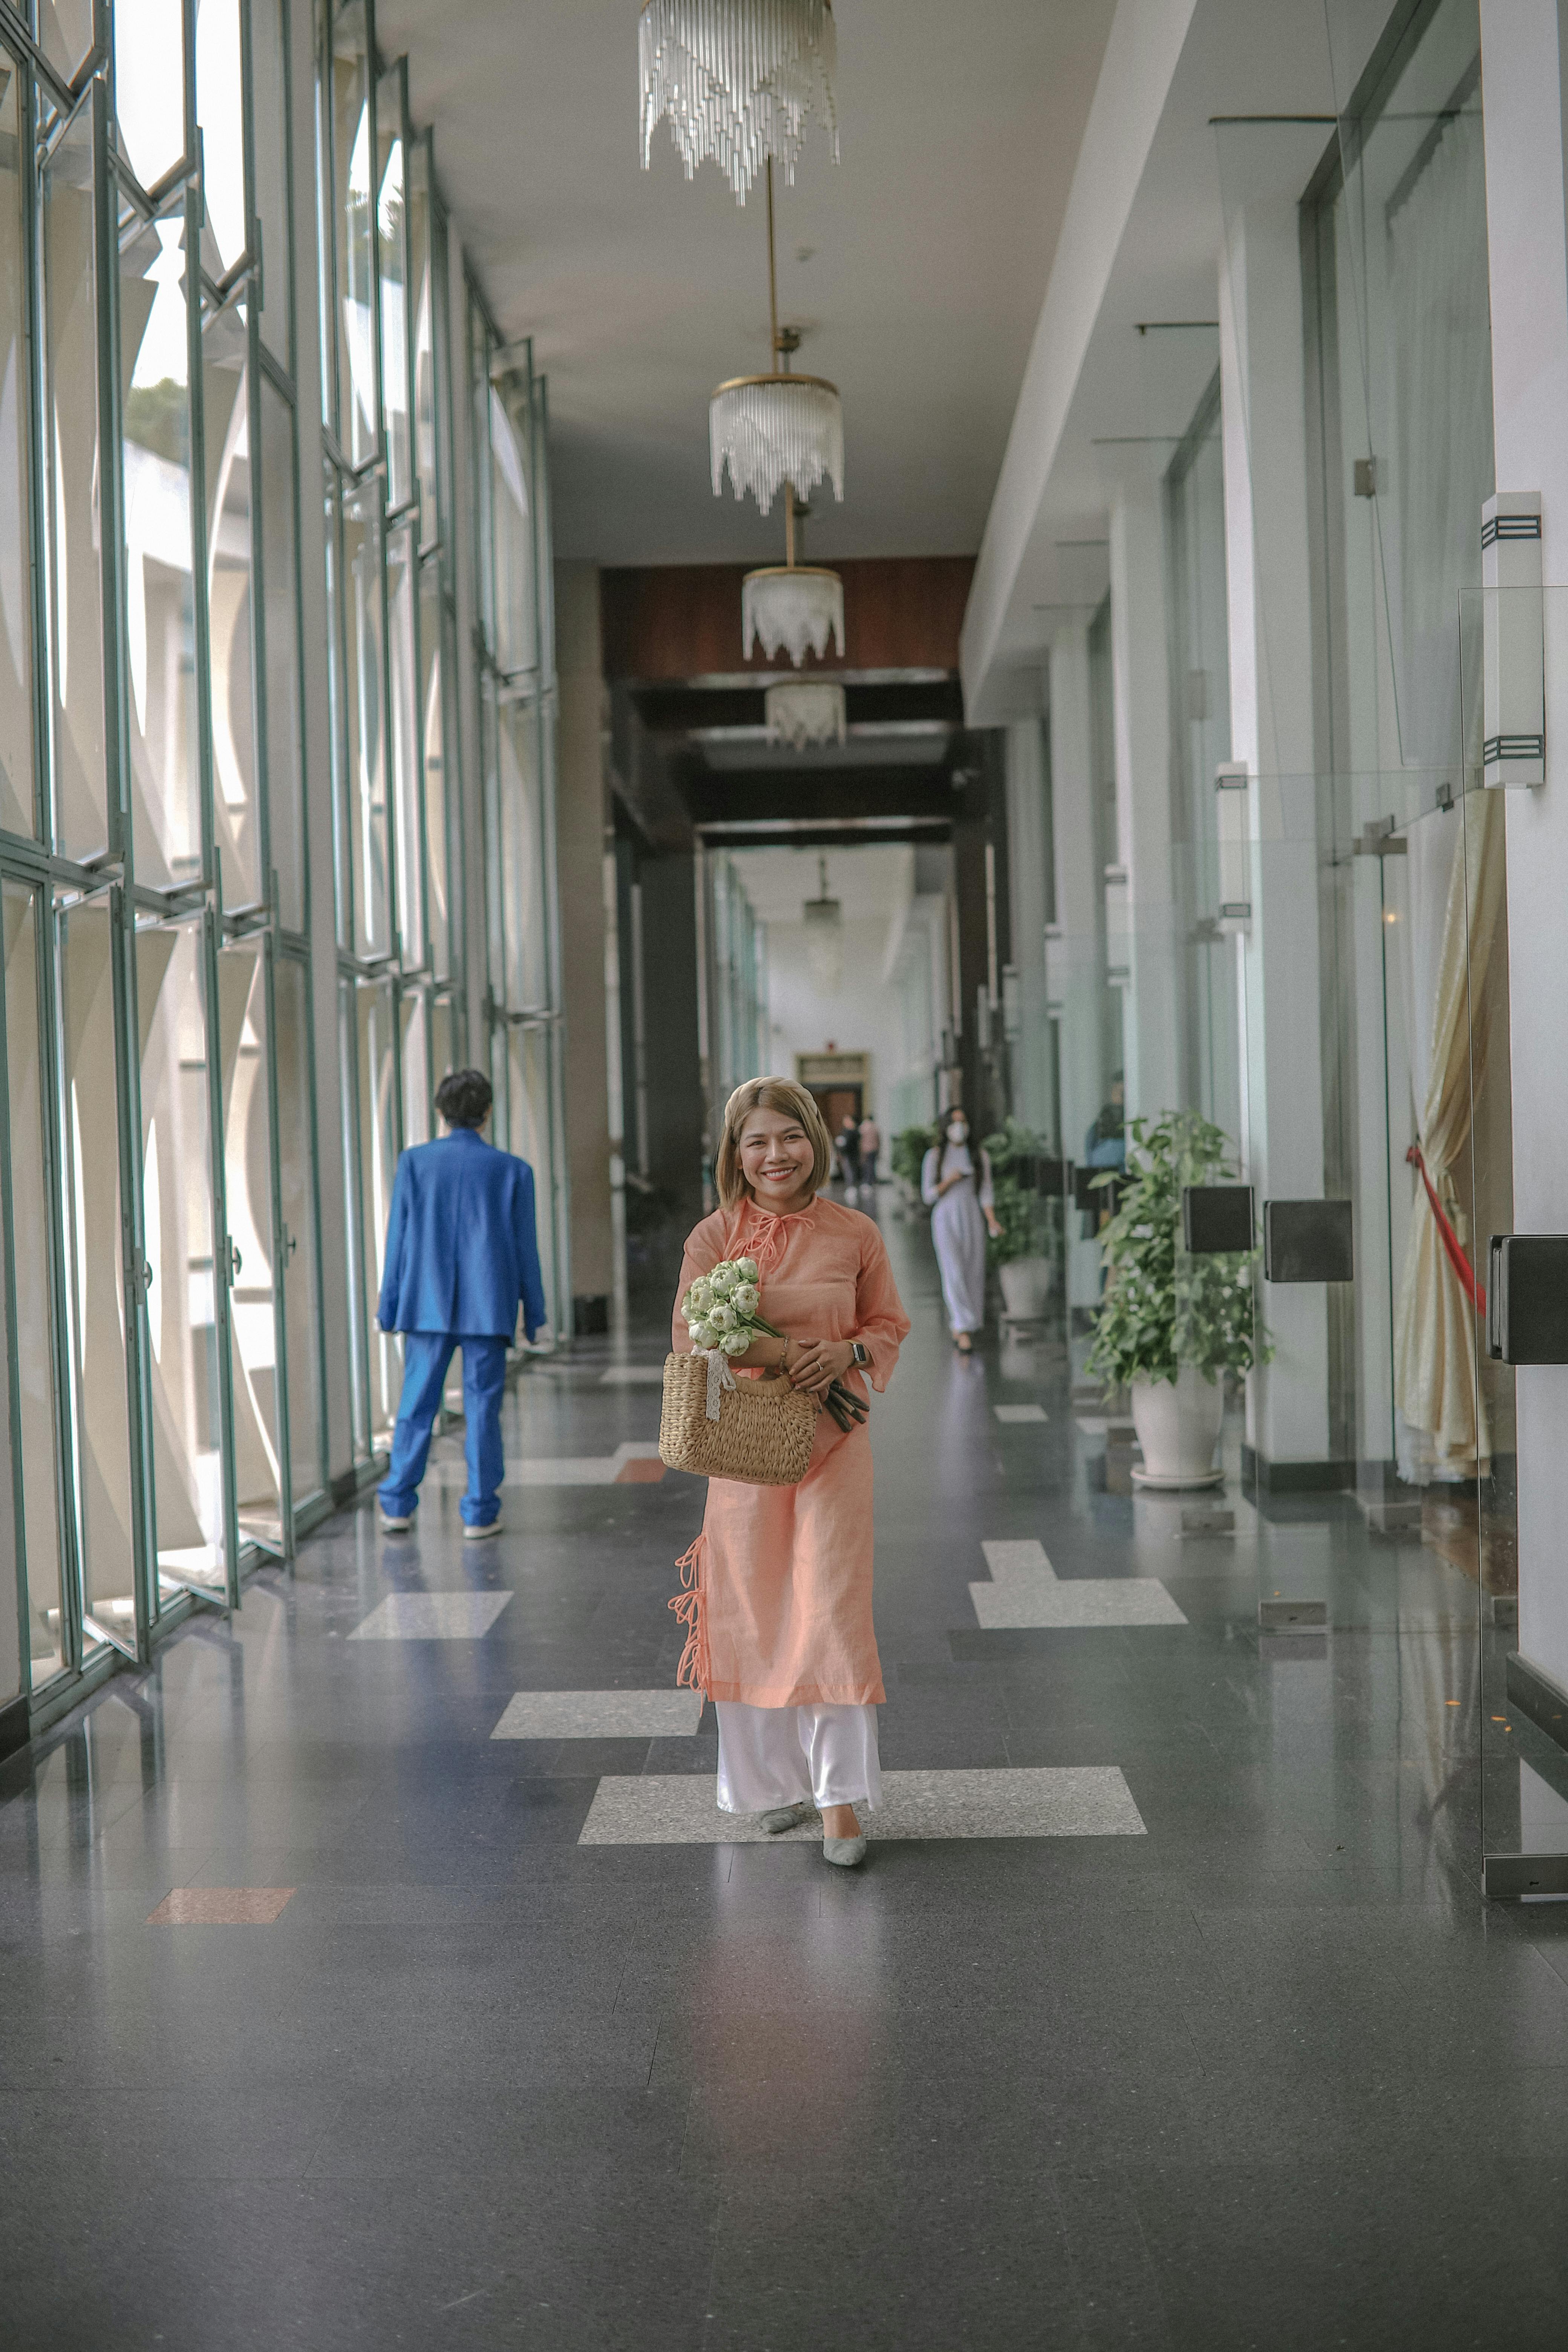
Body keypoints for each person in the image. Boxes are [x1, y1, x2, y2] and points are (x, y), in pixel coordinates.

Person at [671, 1077, 910, 1868]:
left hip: (836, 1445)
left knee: (832, 1606)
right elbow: (691, 1338)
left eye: (790, 1136)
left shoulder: (855, 1233)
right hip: (746, 1450)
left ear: (816, 1141)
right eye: (757, 1142)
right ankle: (774, 1784)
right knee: (754, 1607)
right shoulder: (713, 1237)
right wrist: (780, 1354)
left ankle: (838, 1798)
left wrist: (845, 1353)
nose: (776, 1155)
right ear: (735, 1156)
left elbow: (888, 1324)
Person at [376, 1068, 547, 1541]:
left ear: (441, 1112)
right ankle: (479, 1512)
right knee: (482, 1410)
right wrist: (534, 1314)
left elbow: (398, 1241)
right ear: (487, 1112)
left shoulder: (414, 1163)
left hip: (425, 1305)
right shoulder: (514, 1171)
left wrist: (389, 1304)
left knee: (416, 1404)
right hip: (487, 1306)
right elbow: (525, 1250)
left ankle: (397, 1503)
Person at [922, 1109, 1001, 1354]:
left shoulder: (979, 1155)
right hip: (946, 1217)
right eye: (954, 1122)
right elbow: (928, 1195)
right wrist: (950, 1181)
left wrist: (992, 1221)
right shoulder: (935, 1156)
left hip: (971, 1216)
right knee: (953, 1272)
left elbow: (986, 1191)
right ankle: (963, 1328)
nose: (959, 1127)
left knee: (973, 1271)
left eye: (963, 1122)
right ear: (946, 1127)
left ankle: (965, 1323)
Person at [835, 1112, 862, 1199]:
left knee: (852, 1170)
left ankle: (852, 1186)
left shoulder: (854, 1131)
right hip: (846, 1154)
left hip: (853, 1154)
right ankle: (850, 1186)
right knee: (848, 1170)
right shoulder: (845, 1131)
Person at [858, 1109, 882, 1193]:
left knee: (866, 1166)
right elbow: (879, 1139)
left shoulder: (863, 1127)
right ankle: (872, 1181)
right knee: (872, 1165)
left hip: (865, 1149)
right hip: (874, 1149)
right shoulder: (875, 1127)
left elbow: (860, 1139)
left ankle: (867, 1182)